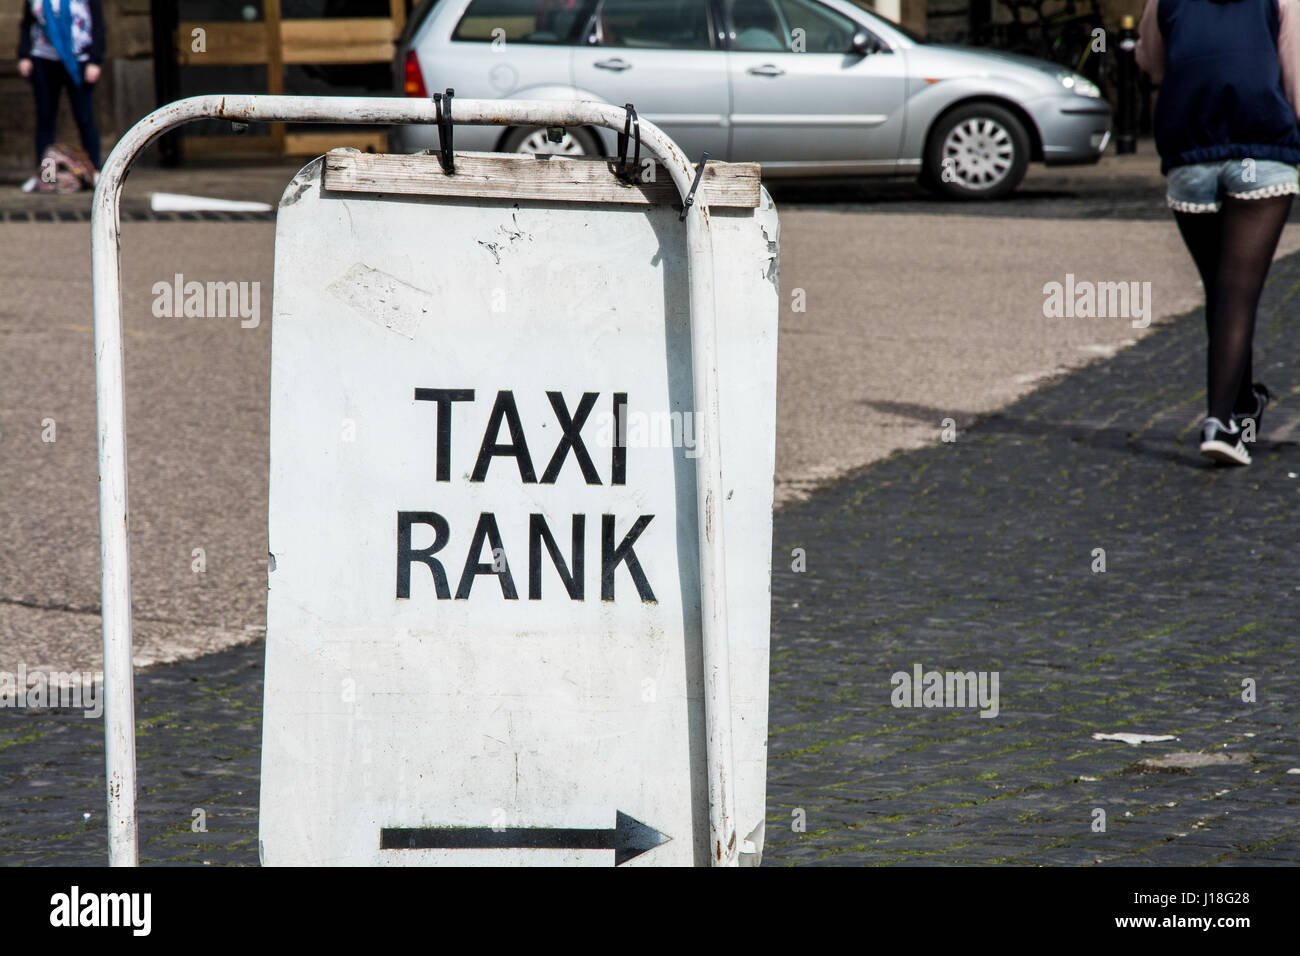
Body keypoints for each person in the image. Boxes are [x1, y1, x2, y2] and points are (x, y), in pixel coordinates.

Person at [1137, 0, 1300, 466]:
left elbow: (1151, 60)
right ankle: (1221, 423)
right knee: (1238, 293)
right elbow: (1295, 73)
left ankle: (1244, 403)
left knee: (1223, 291)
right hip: (1261, 150)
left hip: (1192, 154)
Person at [16, 0, 105, 183]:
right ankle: (46, 175)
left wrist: (95, 60)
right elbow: (27, 25)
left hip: (78, 61)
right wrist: (24, 55)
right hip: (44, 60)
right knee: (46, 119)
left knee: (84, 117)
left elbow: (98, 25)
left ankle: (94, 171)